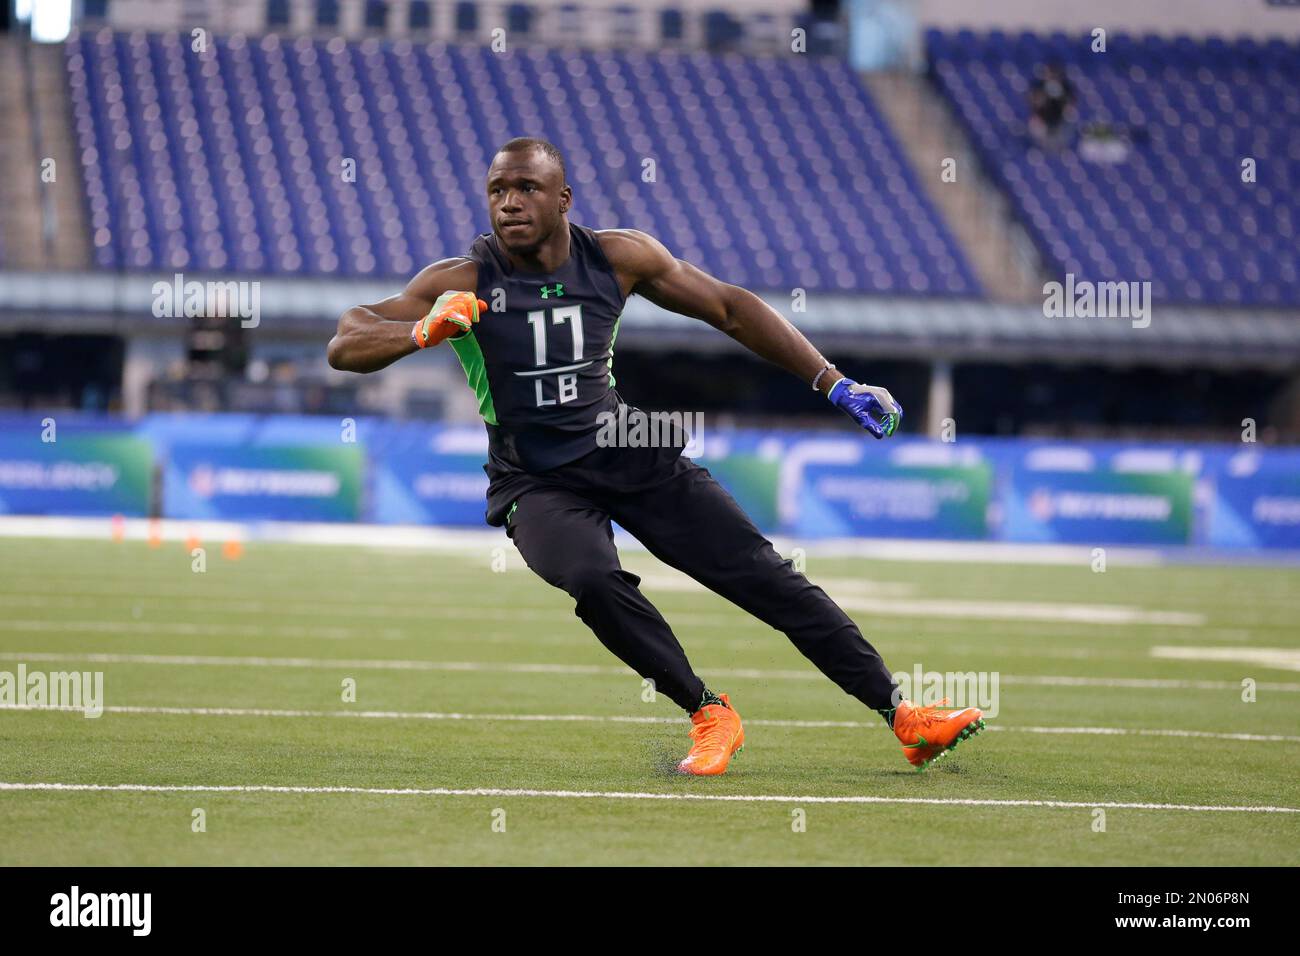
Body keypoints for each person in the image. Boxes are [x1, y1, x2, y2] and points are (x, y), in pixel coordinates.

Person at [328, 137, 985, 774]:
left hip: (627, 447)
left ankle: (904, 718)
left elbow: (729, 308)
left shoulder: (619, 257)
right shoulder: (462, 278)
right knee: (590, 579)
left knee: (762, 574)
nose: (509, 203)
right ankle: (708, 712)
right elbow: (348, 337)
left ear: (564, 198)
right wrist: (421, 331)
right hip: (534, 475)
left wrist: (834, 382)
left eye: (526, 187)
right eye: (497, 190)